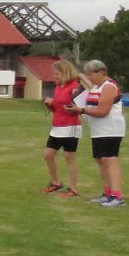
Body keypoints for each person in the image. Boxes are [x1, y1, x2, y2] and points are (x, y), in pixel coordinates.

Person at [68, 59, 127, 207]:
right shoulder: (96, 87)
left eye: (91, 75)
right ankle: (107, 193)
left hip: (111, 129)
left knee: (110, 160)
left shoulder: (109, 87)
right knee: (100, 160)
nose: (90, 79)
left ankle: (117, 195)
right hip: (98, 130)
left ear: (101, 72)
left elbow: (103, 111)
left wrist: (81, 110)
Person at [40, 59, 84, 198]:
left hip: (71, 126)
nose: (55, 77)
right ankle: (55, 182)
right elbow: (57, 108)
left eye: (57, 73)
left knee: (69, 157)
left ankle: (74, 189)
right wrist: (50, 104)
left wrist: (58, 104)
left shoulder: (75, 86)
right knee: (48, 155)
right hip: (58, 126)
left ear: (65, 72)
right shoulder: (58, 87)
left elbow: (76, 108)